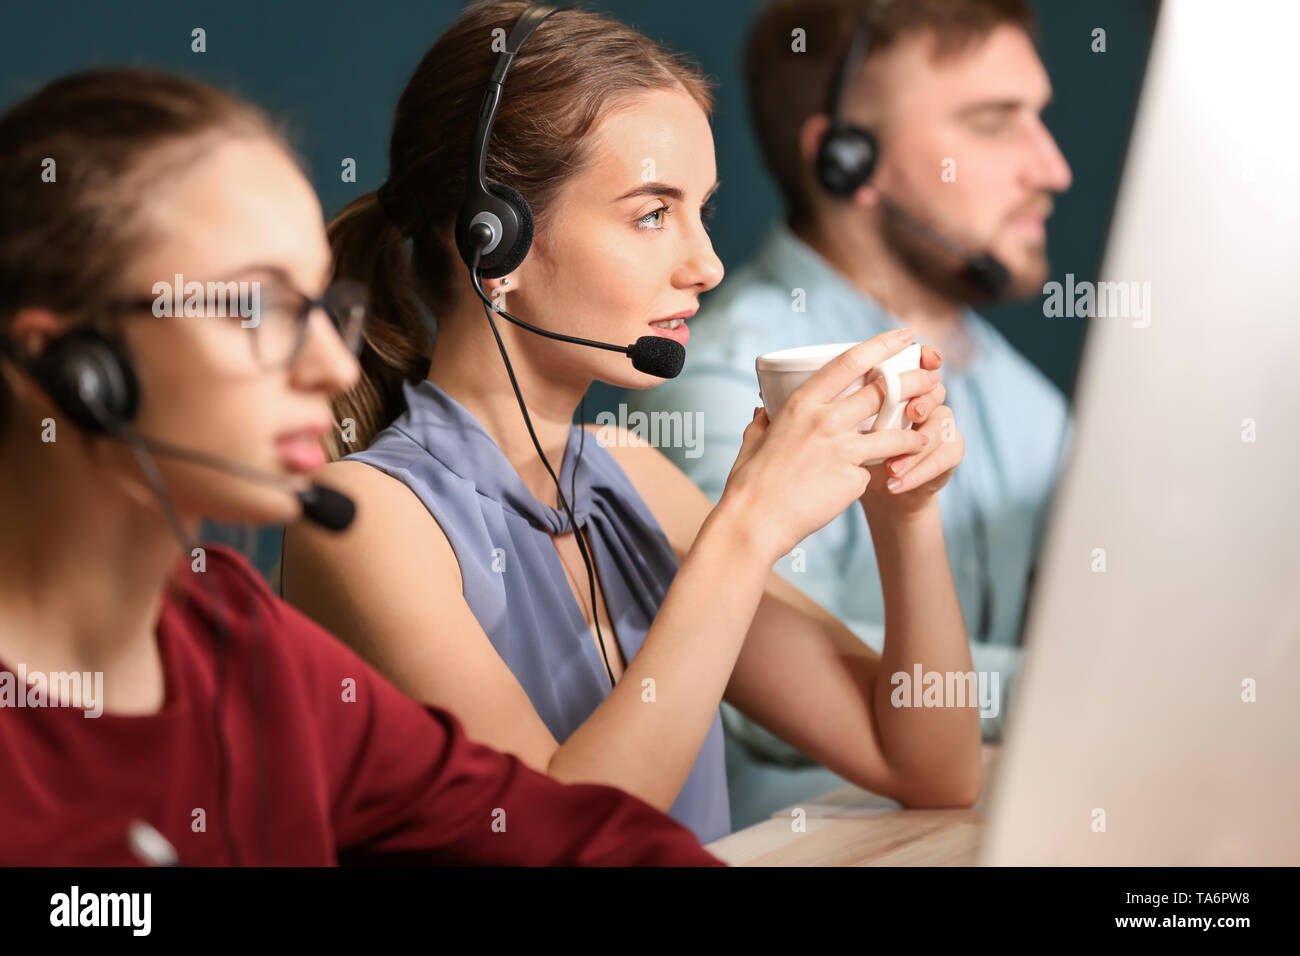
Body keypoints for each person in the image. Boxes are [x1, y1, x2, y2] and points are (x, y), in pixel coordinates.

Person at [281, 0, 982, 846]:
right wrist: (749, 526)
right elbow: (563, 842)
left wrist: (903, 511)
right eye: (652, 214)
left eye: (703, 213)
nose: (708, 264)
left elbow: (932, 764)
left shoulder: (628, 475)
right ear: (493, 242)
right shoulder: (365, 520)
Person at [0, 66, 722, 865]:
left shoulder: (242, 639)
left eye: (321, 308)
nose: (332, 369)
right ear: (66, 366)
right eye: (258, 308)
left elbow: (559, 838)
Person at [627, 0, 1075, 825]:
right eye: (993, 123)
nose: (1051, 168)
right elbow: (774, 702)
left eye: (1039, 120)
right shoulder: (732, 377)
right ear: (845, 160)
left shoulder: (1035, 409)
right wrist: (1087, 685)